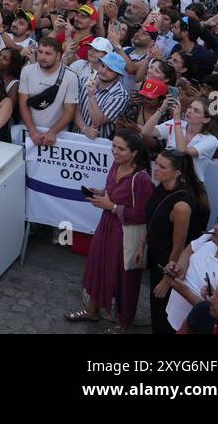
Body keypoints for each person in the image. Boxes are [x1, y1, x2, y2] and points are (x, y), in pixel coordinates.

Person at [66, 129, 153, 331]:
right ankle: (92, 311)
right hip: (106, 226)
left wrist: (112, 207)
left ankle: (123, 326)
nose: (114, 151)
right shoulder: (116, 165)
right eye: (114, 146)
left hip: (124, 233)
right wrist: (102, 194)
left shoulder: (141, 179)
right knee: (97, 266)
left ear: (135, 153)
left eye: (121, 148)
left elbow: (143, 214)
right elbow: (113, 193)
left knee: (125, 280)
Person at [142, 148, 210, 335]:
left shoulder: (181, 205)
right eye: (157, 164)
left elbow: (179, 247)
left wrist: (167, 280)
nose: (156, 169)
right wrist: (143, 245)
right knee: (156, 310)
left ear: (178, 172)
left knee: (162, 314)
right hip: (156, 257)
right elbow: (152, 220)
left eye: (163, 167)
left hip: (168, 265)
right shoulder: (161, 187)